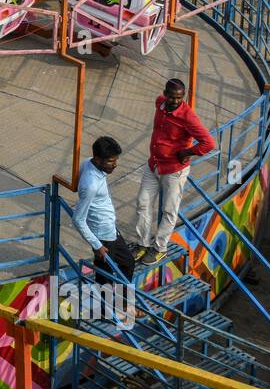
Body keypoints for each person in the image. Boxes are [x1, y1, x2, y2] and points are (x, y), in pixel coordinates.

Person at [133, 80, 215, 264]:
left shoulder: (188, 117)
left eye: (179, 98)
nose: (174, 101)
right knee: (143, 203)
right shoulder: (159, 103)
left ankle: (160, 247)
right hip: (153, 164)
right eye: (171, 97)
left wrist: (188, 152)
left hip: (173, 171)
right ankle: (143, 243)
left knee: (169, 210)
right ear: (165, 93)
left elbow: (208, 143)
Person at [73, 136, 135, 285]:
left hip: (110, 229)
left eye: (115, 160)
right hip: (103, 238)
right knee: (105, 279)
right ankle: (107, 308)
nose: (115, 165)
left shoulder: (88, 162)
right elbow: (78, 219)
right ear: (98, 159)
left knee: (128, 263)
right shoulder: (90, 185)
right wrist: (97, 245)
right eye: (110, 161)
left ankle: (124, 304)